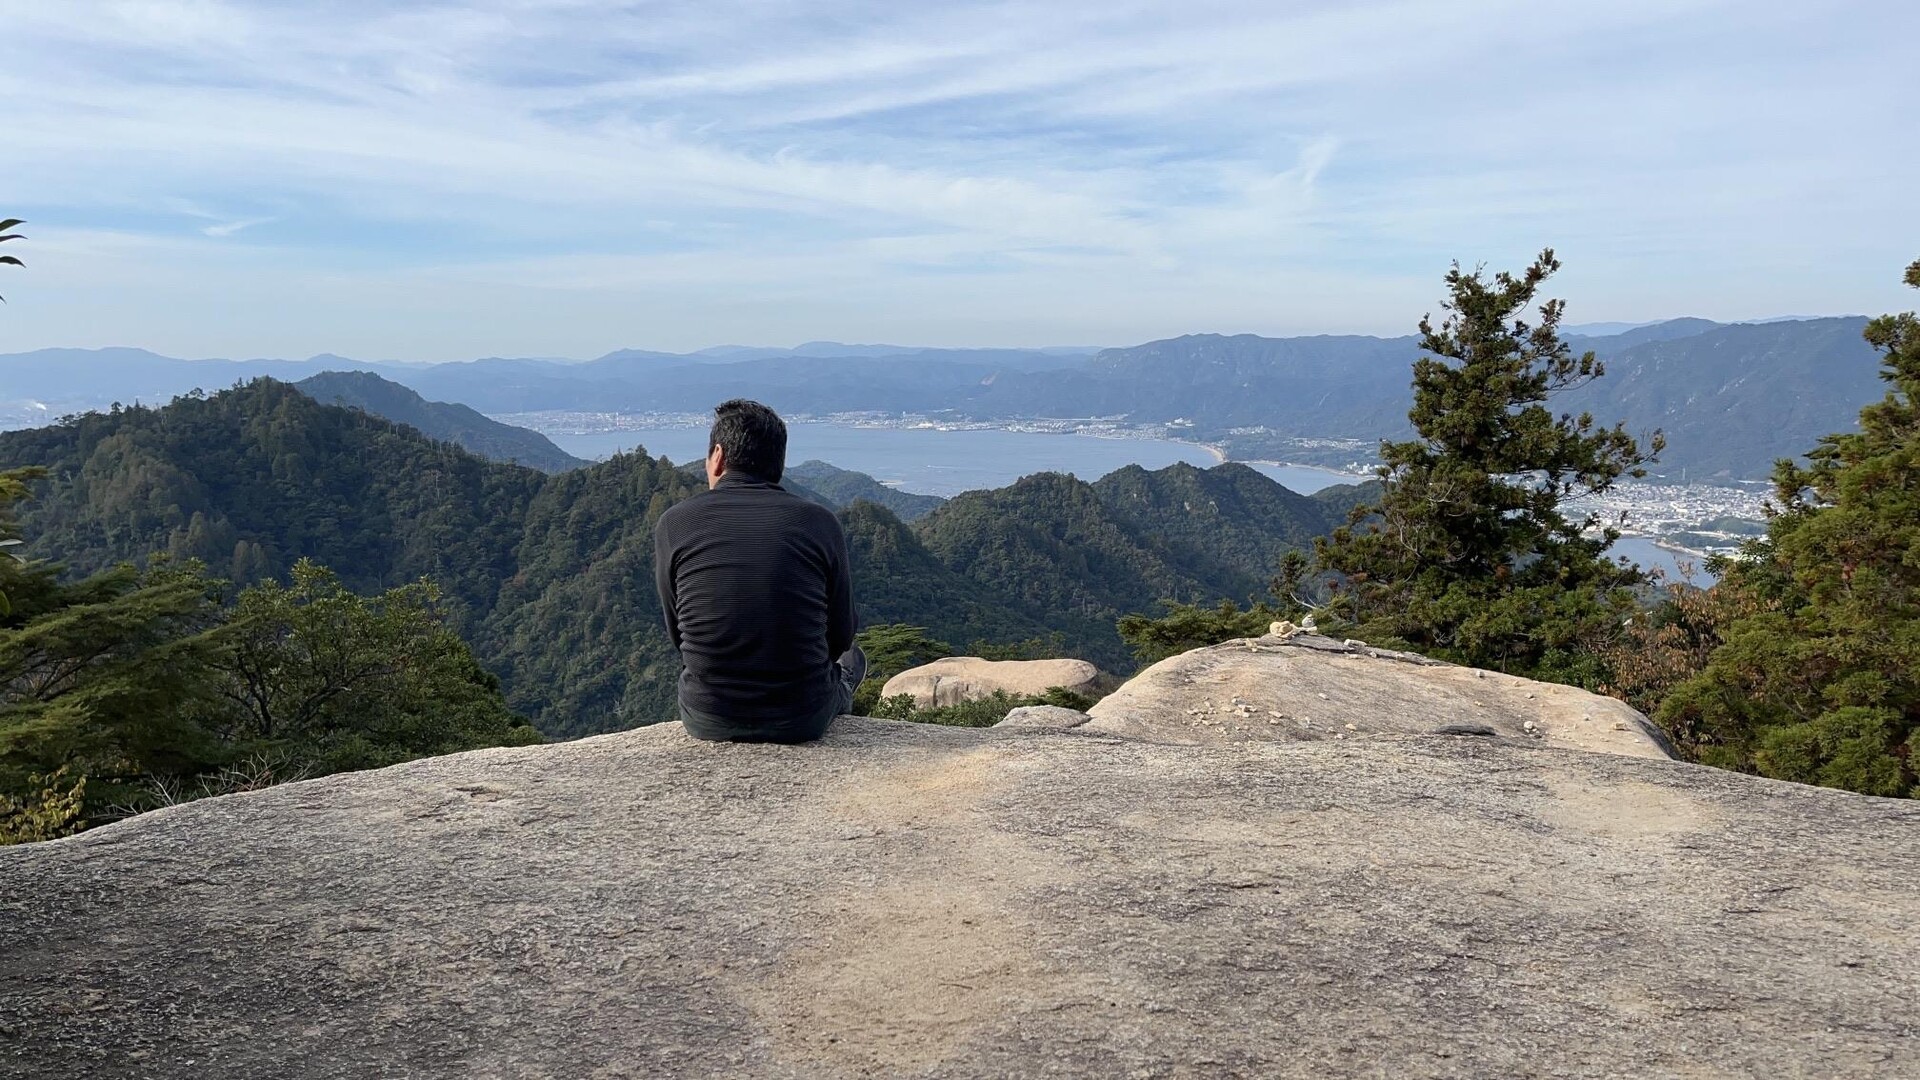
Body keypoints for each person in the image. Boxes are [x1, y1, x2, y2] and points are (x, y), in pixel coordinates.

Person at [653, 399, 865, 742]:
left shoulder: (675, 523)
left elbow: (677, 632)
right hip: (801, 718)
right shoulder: (818, 522)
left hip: (707, 715)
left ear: (718, 456)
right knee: (852, 662)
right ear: (778, 463)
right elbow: (840, 637)